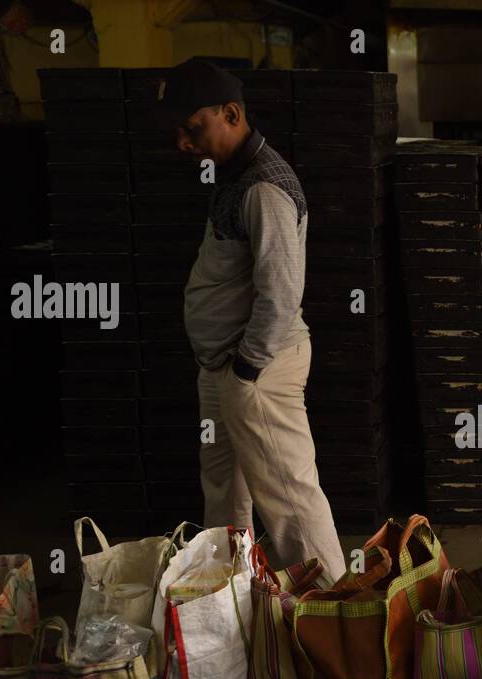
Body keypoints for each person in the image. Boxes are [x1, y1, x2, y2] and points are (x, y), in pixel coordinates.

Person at [158, 58, 346, 582]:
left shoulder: (265, 187)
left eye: (193, 128)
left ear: (233, 113)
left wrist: (245, 371)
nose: (183, 144)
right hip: (226, 368)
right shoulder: (236, 178)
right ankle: (228, 599)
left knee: (289, 500)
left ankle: (336, 616)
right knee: (225, 493)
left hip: (257, 371)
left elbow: (281, 292)